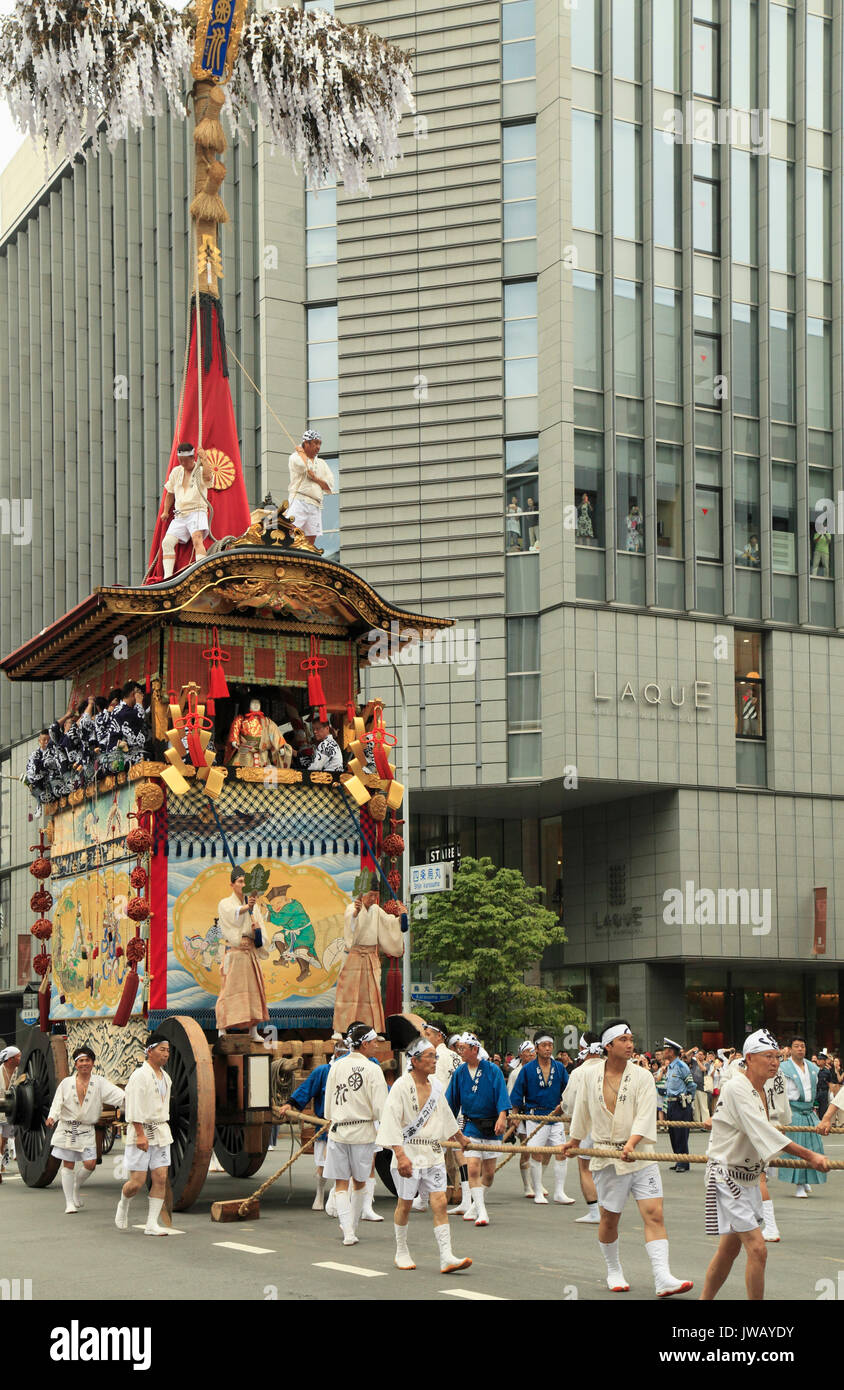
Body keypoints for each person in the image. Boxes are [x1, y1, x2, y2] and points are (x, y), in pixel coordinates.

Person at [562, 1019, 692, 1297]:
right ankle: (613, 1270)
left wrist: (633, 1143)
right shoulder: (589, 1075)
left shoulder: (643, 1076)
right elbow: (582, 1111)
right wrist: (574, 1141)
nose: (630, 1044)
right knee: (609, 1218)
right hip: (607, 1154)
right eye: (623, 1040)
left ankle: (662, 1277)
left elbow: (646, 1114)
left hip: (640, 1154)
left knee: (654, 1213)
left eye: (631, 1039)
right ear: (608, 1045)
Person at [700, 1030, 830, 1301]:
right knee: (758, 1248)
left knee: (729, 1249)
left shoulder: (766, 1088)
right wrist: (810, 1156)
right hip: (727, 1176)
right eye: (768, 1057)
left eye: (776, 1057)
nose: (774, 1062)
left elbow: (772, 1126)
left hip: (749, 1176)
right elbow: (763, 1130)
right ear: (749, 1058)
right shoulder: (736, 1086)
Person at [378, 1036, 472, 1273]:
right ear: (416, 1061)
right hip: (409, 1151)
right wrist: (399, 1155)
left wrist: (460, 1139)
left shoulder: (436, 1087)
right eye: (431, 1056)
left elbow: (447, 1115)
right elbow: (390, 1120)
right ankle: (401, 1250)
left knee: (439, 1202)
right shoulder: (401, 1086)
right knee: (406, 1204)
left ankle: (446, 1256)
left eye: (434, 1056)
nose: (435, 1060)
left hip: (433, 1152)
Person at [323, 1022, 388, 1246]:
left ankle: (348, 1230)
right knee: (359, 1181)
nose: (377, 1047)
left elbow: (328, 1104)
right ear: (366, 1044)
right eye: (374, 1043)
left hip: (338, 1130)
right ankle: (351, 1228)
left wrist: (334, 1117)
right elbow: (381, 1107)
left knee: (341, 1182)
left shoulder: (336, 1066)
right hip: (362, 1132)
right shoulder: (372, 1069)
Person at [46, 1045, 124, 1214]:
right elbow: (57, 1102)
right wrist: (53, 1116)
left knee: (90, 1163)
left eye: (87, 1060)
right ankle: (69, 1202)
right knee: (68, 1164)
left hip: (87, 1129)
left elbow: (118, 1095)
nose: (84, 1064)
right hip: (68, 1127)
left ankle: (76, 1186)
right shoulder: (66, 1083)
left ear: (93, 1063)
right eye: (81, 1061)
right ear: (75, 1064)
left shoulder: (99, 1082)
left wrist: (132, 1099)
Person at [445, 1032, 512, 1227]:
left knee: (489, 1174)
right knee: (473, 1168)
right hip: (471, 1125)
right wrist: (450, 1127)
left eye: (463, 1049)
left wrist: (502, 1117)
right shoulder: (459, 1073)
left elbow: (501, 1095)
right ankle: (482, 1211)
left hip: (492, 1126)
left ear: (475, 1049)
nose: (460, 1052)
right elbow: (451, 1102)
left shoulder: (493, 1070)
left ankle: (476, 1205)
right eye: (459, 1049)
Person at [116, 1035, 174, 1236]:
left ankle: (151, 1224)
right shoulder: (139, 1076)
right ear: (150, 1051)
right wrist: (140, 1134)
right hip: (141, 1131)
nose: (166, 1054)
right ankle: (123, 1204)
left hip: (161, 1131)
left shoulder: (166, 1077)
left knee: (160, 1177)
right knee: (137, 1183)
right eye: (162, 1050)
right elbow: (133, 1107)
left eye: (168, 1050)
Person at [333, 876, 403, 1035]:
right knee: (348, 994)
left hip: (371, 956)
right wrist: (356, 914)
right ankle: (340, 1029)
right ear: (361, 893)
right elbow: (351, 925)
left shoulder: (377, 910)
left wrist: (400, 918)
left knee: (372, 995)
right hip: (354, 956)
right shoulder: (352, 908)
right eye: (370, 895)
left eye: (375, 895)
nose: (373, 899)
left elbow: (389, 923)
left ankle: (371, 1031)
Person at [509, 1034, 572, 1205]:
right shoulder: (528, 1069)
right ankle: (537, 1191)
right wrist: (514, 1115)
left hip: (555, 1116)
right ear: (536, 1048)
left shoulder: (559, 1068)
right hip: (534, 1117)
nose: (548, 1048)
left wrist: (565, 1106)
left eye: (550, 1045)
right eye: (544, 1045)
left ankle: (559, 1192)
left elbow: (568, 1090)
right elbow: (517, 1093)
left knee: (561, 1153)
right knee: (535, 1154)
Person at [277, 1043, 339, 1211]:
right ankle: (319, 1194)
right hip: (325, 1124)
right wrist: (290, 1104)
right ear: (337, 1055)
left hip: (349, 1126)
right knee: (323, 1165)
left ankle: (340, 1198)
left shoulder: (358, 1070)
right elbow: (306, 1088)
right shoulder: (323, 1071)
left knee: (347, 1166)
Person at [215, 867, 270, 1041]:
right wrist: (247, 907)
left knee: (254, 991)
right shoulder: (226, 903)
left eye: (244, 881)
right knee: (229, 991)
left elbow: (260, 932)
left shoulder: (254, 908)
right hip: (235, 953)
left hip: (250, 953)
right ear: (231, 884)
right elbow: (232, 916)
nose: (242, 884)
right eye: (239, 881)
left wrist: (257, 930)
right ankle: (222, 1029)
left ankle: (253, 1030)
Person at [561, 1032, 604, 1224]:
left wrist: (562, 1108)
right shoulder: (610, 1067)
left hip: (586, 1126)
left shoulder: (579, 1072)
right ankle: (608, 1209)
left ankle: (595, 1211)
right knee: (605, 1169)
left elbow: (568, 1102)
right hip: (610, 1126)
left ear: (582, 1049)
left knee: (585, 1168)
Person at [777, 1037, 826, 1198]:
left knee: (813, 1147)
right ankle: (799, 1184)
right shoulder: (783, 1068)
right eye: (796, 1046)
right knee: (796, 1148)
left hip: (809, 1111)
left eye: (802, 1046)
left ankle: (806, 1180)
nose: (800, 1049)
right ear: (790, 1049)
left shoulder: (812, 1067)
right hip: (793, 1110)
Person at [161, 442, 214, 577]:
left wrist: (204, 459)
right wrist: (166, 511)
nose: (183, 463)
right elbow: (170, 493)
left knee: (197, 538)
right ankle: (167, 577)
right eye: (181, 461)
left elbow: (209, 478)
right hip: (179, 515)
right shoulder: (176, 472)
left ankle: (200, 574)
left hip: (197, 510)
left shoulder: (200, 470)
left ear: (192, 458)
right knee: (166, 543)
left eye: (185, 460)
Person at [285, 429, 335, 542]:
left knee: (311, 538)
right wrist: (301, 453)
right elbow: (305, 466)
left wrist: (316, 479)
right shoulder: (295, 457)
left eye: (320, 444)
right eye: (315, 443)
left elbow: (329, 486)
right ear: (306, 443)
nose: (318, 447)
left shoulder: (321, 463)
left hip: (315, 503)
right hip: (299, 499)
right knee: (290, 530)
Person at [267, 885, 320, 983]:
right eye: (273, 905)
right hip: (290, 933)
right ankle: (284, 958)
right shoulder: (283, 906)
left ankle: (305, 970)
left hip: (304, 934)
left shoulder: (292, 907)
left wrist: (266, 913)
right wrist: (266, 906)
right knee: (278, 937)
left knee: (299, 950)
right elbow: (275, 910)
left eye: (278, 903)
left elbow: (280, 919)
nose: (276, 907)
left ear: (286, 899)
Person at [508, 1040, 539, 1199]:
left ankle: (536, 1183)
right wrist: (513, 1116)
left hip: (537, 1114)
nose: (532, 1054)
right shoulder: (516, 1073)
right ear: (521, 1054)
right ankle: (527, 1185)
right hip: (522, 1114)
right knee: (526, 1149)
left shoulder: (538, 1069)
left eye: (533, 1051)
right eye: (528, 1051)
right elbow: (511, 1097)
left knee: (538, 1150)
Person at [225, 699, 289, 769]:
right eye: (253, 703)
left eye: (258, 703)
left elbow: (275, 734)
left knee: (262, 775)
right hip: (245, 752)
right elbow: (235, 729)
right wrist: (234, 740)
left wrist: (281, 747)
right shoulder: (241, 719)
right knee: (242, 772)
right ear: (248, 704)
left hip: (262, 753)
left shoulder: (267, 721)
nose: (256, 705)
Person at [663, 1038, 695, 1172]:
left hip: (680, 1104)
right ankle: (678, 1159)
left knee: (681, 1133)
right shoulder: (670, 1067)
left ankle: (683, 1163)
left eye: (665, 1050)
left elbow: (691, 1085)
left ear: (671, 1051)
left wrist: (687, 1101)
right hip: (670, 1103)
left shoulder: (682, 1066)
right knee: (673, 1134)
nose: (663, 1052)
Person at [0, 1044, 22, 1177]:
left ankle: (1, 1165)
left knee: (3, 1142)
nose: (21, 1058)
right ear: (10, 1059)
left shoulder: (20, 1072)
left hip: (10, 1113)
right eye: (18, 1056)